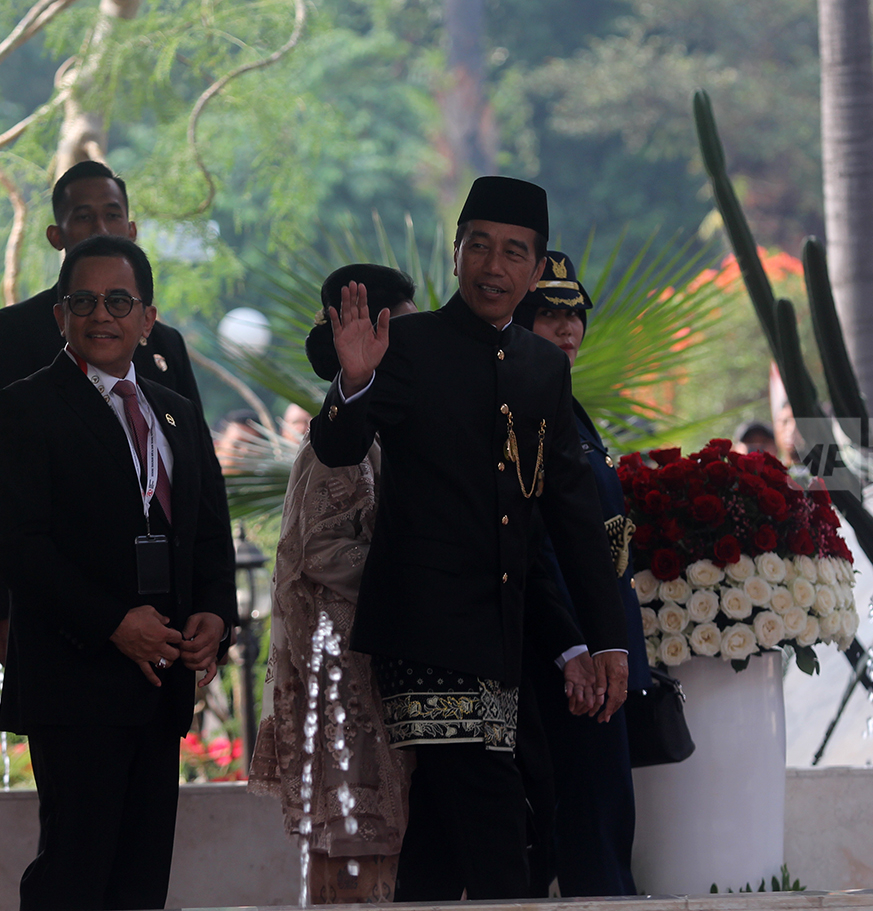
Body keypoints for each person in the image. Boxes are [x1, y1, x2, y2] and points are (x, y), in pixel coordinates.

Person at [310, 176, 629, 901]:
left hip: (500, 637)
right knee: (492, 822)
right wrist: (354, 383)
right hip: (423, 633)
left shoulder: (543, 365)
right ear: (455, 254)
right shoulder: (409, 344)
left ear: (535, 265)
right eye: (478, 246)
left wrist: (605, 636)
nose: (494, 266)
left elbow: (570, 511)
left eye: (514, 252)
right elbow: (338, 447)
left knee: (445, 840)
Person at [0, 235, 236, 911]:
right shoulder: (22, 408)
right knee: (75, 875)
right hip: (76, 681)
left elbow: (206, 525)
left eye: (119, 300)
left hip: (160, 680)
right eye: (83, 300)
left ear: (148, 318)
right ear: (60, 315)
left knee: (141, 880)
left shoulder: (173, 407)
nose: (101, 314)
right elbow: (16, 545)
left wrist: (214, 611)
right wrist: (114, 623)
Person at [0, 160, 202, 666]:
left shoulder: (164, 344)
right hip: (59, 615)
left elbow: (203, 481)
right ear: (56, 234)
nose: (101, 230)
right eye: (84, 218)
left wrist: (212, 605)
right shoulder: (14, 335)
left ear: (132, 229)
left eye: (113, 216)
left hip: (164, 616)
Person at [250, 264, 418, 904]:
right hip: (353, 682)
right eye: (403, 332)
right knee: (361, 863)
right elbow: (318, 551)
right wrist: (415, 575)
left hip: (377, 671)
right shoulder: (340, 439)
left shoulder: (391, 427)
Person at [512, 251, 650, 897]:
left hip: (603, 645)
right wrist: (576, 644)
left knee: (605, 823)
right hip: (564, 658)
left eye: (575, 314)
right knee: (582, 830)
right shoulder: (521, 411)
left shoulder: (568, 405)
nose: (567, 328)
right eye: (548, 313)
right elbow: (534, 545)